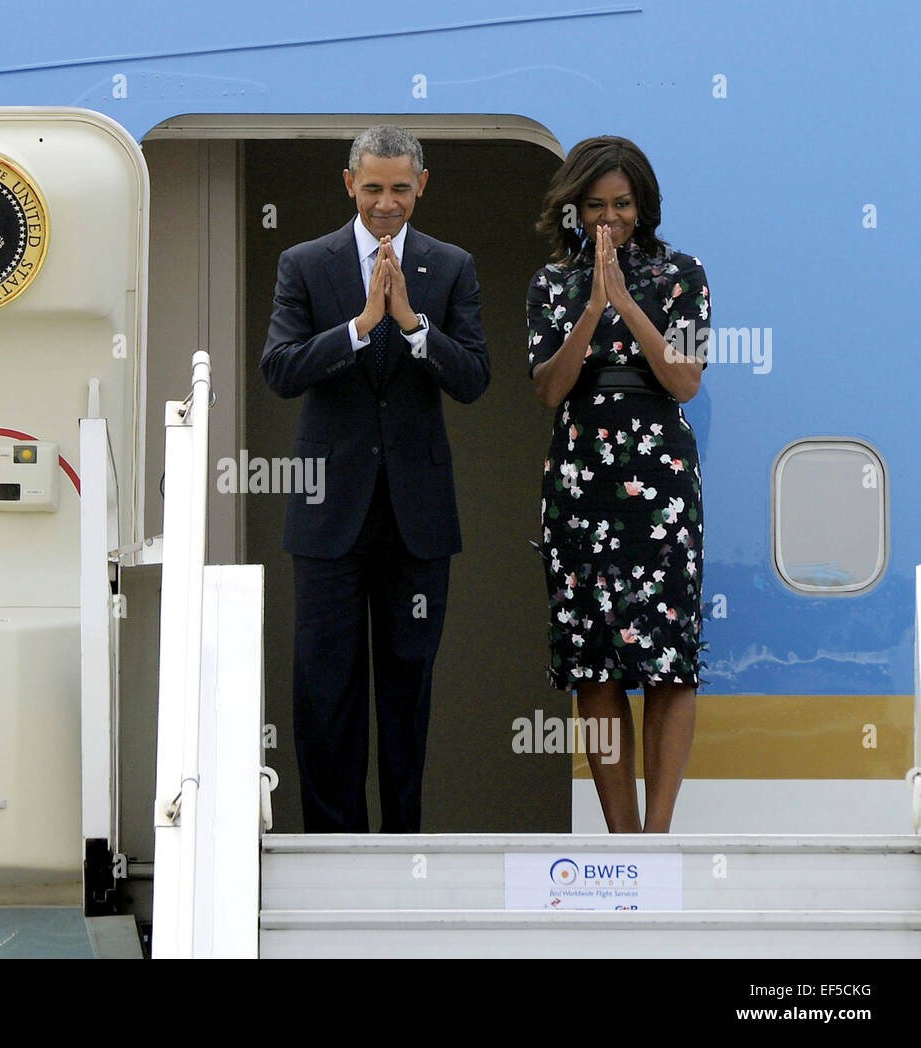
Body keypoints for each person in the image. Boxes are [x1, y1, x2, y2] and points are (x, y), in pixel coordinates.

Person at [261, 126, 489, 833]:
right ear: (348, 184)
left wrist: (415, 327)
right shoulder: (305, 263)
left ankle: (401, 855)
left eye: (399, 188)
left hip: (417, 520)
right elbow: (280, 369)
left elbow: (475, 378)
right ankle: (331, 853)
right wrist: (360, 326)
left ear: (422, 185)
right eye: (372, 188)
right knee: (325, 692)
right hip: (330, 518)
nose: (385, 203)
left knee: (406, 691)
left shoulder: (451, 266)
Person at [527, 135, 709, 833]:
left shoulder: (683, 273)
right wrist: (589, 306)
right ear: (575, 208)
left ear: (644, 205)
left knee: (669, 660)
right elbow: (549, 389)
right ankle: (622, 840)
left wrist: (626, 303)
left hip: (658, 474)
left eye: (623, 204)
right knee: (594, 662)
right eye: (596, 206)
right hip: (581, 477)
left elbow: (685, 378)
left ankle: (658, 838)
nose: (610, 219)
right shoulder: (551, 282)